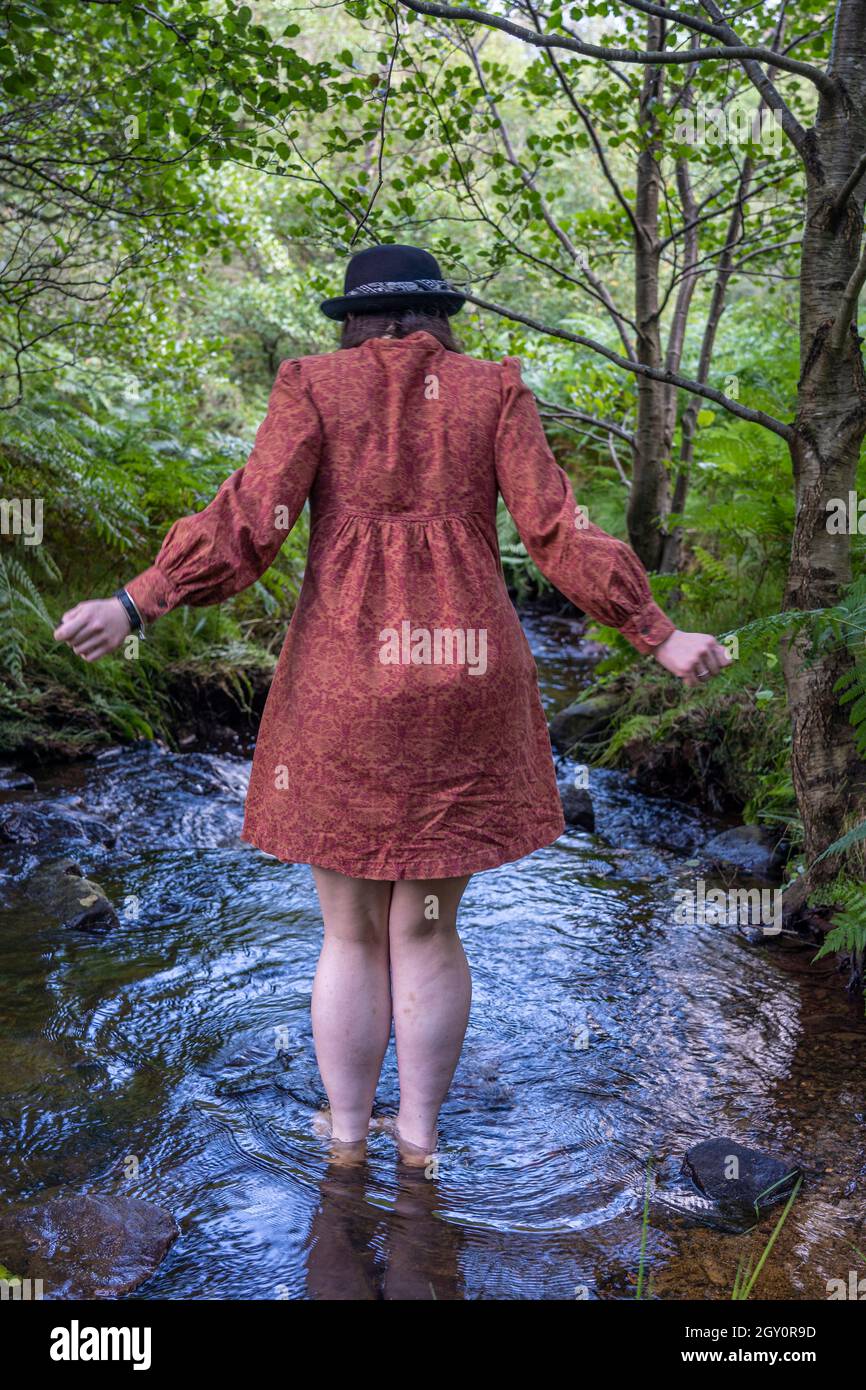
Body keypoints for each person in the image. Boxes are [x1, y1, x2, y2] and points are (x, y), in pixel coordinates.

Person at [54, 244, 730, 1162]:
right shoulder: (495, 388)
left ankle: (344, 1140)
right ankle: (417, 1140)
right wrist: (658, 632)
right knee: (427, 929)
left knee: (349, 932)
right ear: (440, 316)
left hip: (344, 682)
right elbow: (558, 530)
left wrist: (137, 600)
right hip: (468, 681)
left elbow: (249, 522)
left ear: (354, 321)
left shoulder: (314, 386)